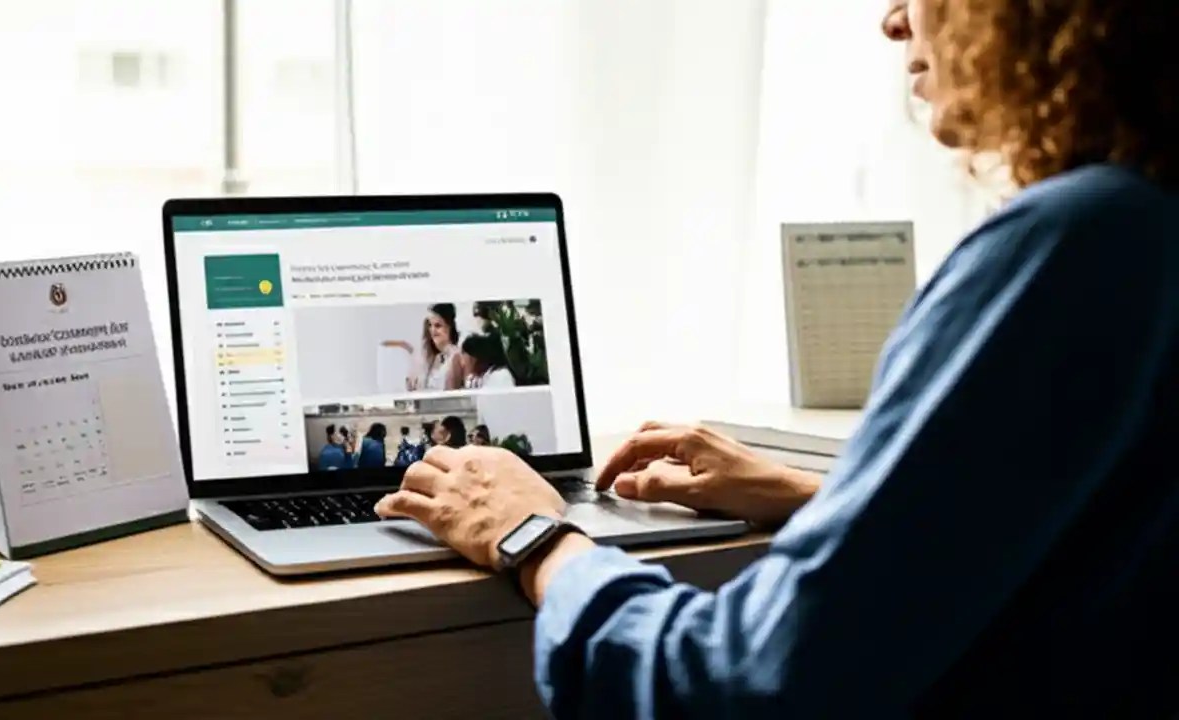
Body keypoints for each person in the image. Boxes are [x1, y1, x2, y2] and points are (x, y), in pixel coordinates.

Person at [376, 0, 1179, 715]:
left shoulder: (1081, 241)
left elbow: (741, 685)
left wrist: (533, 534)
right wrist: (830, 500)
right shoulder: (1147, 222)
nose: (896, 18)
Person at [382, 303, 466, 391]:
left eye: (438, 325)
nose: (433, 330)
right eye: (430, 325)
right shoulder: (436, 358)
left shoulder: (455, 356)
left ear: (449, 327)